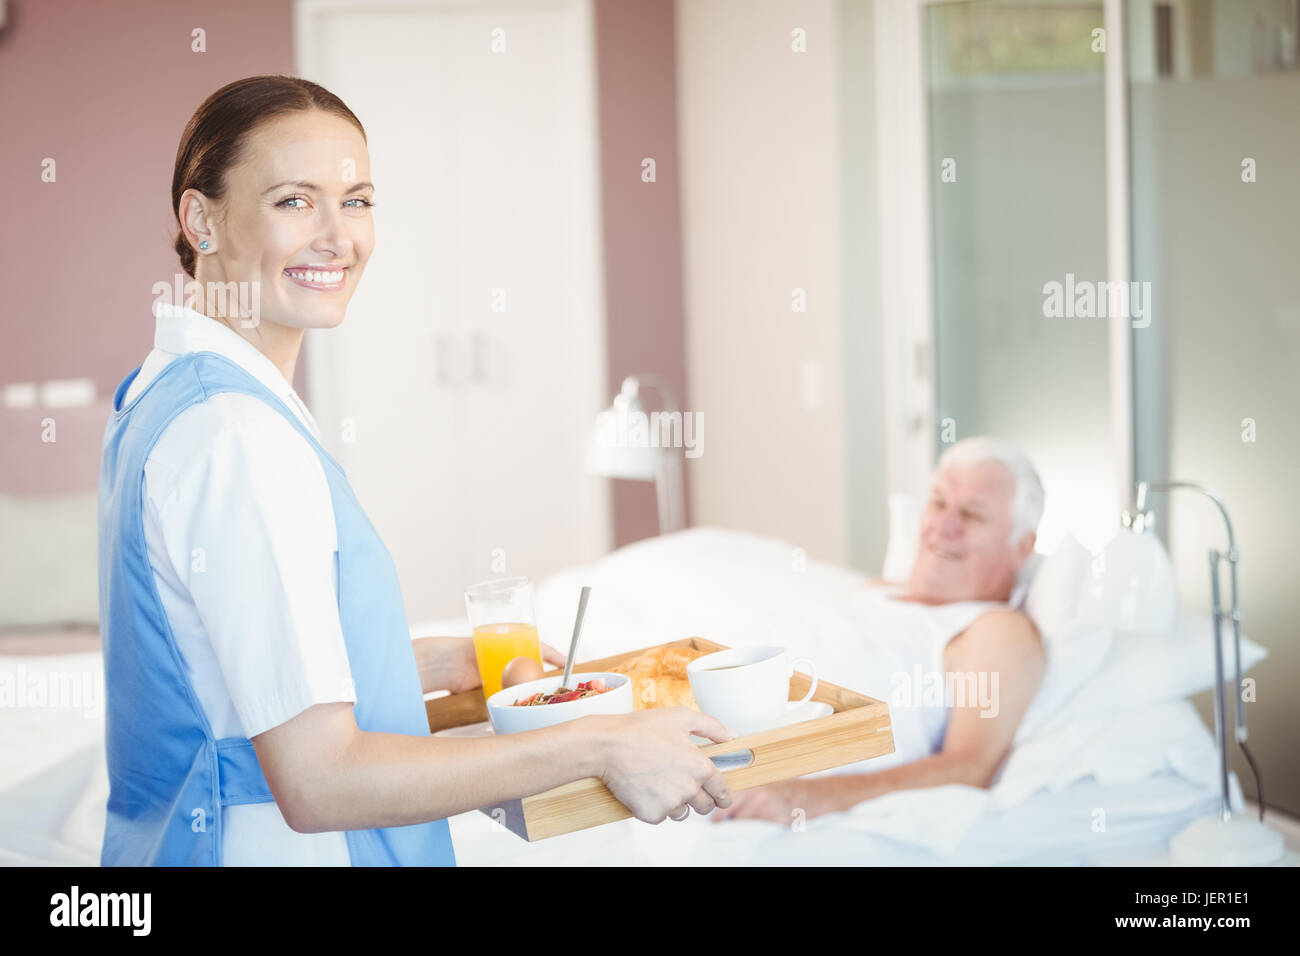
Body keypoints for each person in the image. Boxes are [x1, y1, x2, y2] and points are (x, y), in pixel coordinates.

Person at [98, 75, 731, 866]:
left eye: (357, 200)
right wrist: (602, 744)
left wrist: (425, 662)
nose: (338, 237)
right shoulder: (237, 438)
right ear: (201, 220)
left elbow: (229, 657)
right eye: (295, 201)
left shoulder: (165, 395)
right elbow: (321, 779)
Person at [712, 437, 1046, 823]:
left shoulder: (994, 630)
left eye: (971, 515)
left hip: (757, 783)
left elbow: (967, 768)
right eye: (938, 503)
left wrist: (806, 796)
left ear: (1022, 547)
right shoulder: (877, 593)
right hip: (701, 736)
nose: (944, 525)